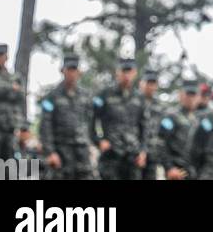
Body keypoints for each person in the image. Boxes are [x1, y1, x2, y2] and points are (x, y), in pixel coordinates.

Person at [90, 58, 148, 181]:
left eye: (129, 71)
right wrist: (99, 141)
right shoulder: (104, 95)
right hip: (111, 155)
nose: (126, 75)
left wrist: (143, 151)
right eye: (123, 71)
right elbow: (90, 120)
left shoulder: (140, 98)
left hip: (133, 156)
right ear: (117, 72)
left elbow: (144, 127)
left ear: (135, 73)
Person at [38, 52, 94, 181]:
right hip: (60, 152)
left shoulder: (86, 96)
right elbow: (45, 126)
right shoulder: (51, 97)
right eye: (69, 69)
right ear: (62, 71)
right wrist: (50, 152)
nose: (72, 73)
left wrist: (89, 144)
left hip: (81, 153)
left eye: (74, 69)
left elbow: (89, 122)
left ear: (79, 72)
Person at [158, 80, 201, 181]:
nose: (191, 98)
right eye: (188, 94)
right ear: (181, 95)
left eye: (194, 95)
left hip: (194, 172)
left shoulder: (198, 119)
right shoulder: (171, 116)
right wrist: (169, 168)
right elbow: (160, 143)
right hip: (177, 173)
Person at [138, 68, 162, 180]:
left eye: (153, 83)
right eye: (148, 83)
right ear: (141, 83)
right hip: (134, 153)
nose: (150, 86)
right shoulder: (134, 101)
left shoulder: (159, 106)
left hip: (152, 154)